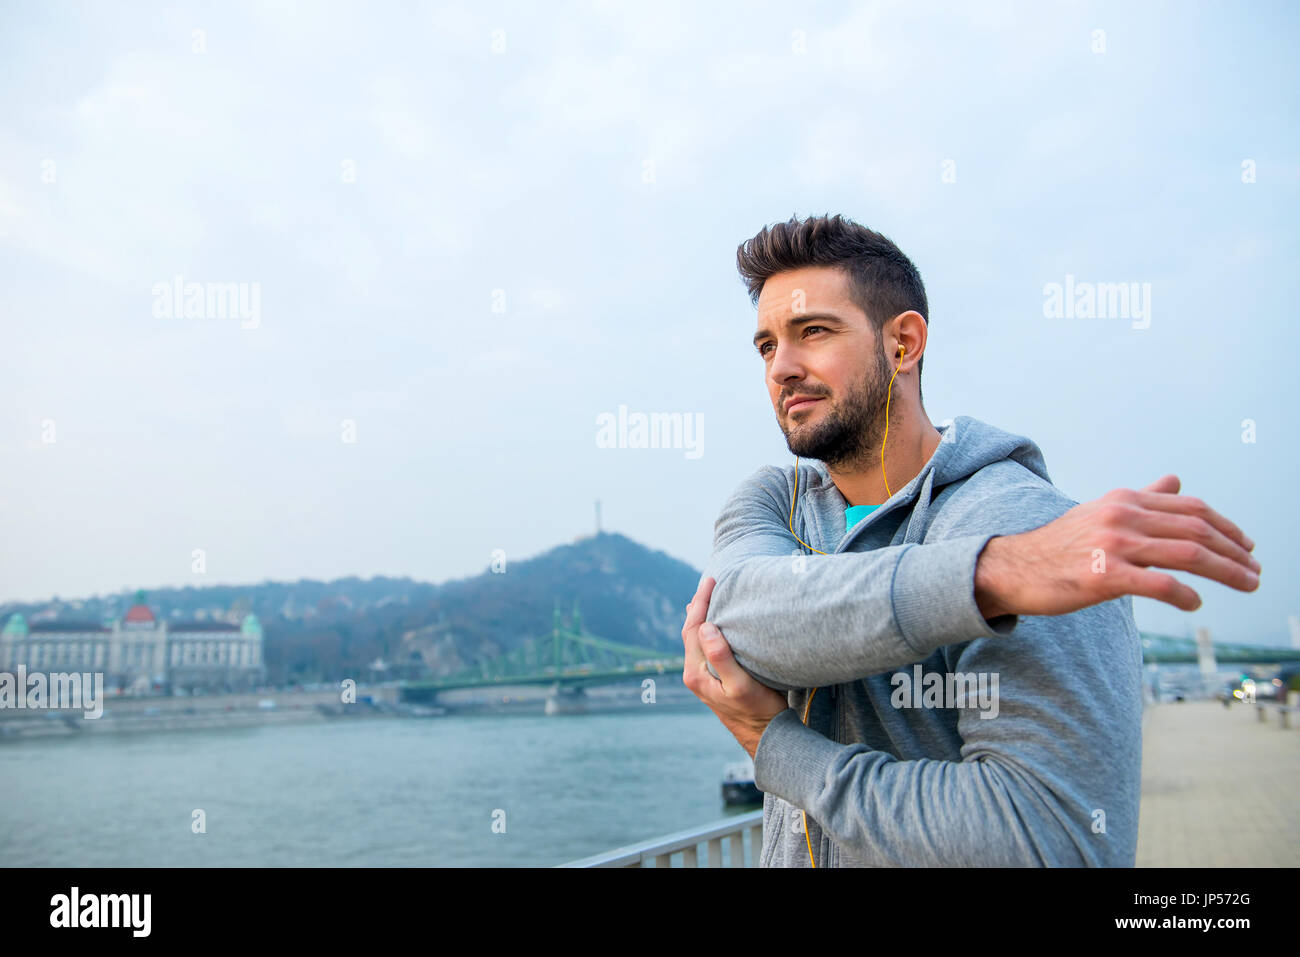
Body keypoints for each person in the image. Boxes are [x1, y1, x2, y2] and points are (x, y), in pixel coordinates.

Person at [681, 214, 1261, 867]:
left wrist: (777, 748)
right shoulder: (773, 502)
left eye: (813, 331)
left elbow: (1047, 841)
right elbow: (742, 624)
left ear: (904, 342)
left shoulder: (1030, 522)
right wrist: (991, 576)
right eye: (765, 345)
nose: (782, 367)